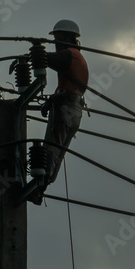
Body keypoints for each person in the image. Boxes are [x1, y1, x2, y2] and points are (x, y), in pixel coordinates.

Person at [40, 19, 89, 190]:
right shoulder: (79, 58)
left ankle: (42, 181)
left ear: (68, 37)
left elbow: (50, 59)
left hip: (66, 109)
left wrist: (35, 54)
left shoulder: (70, 55)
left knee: (51, 147)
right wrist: (50, 101)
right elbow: (66, 87)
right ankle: (46, 181)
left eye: (58, 38)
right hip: (75, 111)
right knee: (58, 150)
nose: (55, 43)